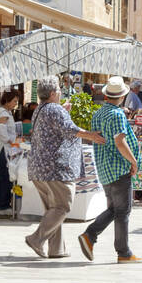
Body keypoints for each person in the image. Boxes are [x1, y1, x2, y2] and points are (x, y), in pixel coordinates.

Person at [25, 76, 105, 259]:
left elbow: (59, 126)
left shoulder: (41, 109)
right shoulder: (54, 109)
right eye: (59, 90)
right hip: (56, 168)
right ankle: (36, 239)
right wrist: (92, 136)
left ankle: (57, 249)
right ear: (53, 94)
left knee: (53, 210)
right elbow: (70, 129)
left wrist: (63, 111)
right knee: (62, 206)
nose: (61, 93)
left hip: (39, 168)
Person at [78, 76, 142, 263]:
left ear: (107, 95)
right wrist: (133, 161)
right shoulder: (117, 114)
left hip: (105, 168)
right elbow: (120, 141)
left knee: (115, 209)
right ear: (122, 96)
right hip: (118, 167)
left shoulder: (99, 113)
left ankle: (92, 237)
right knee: (123, 211)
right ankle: (121, 251)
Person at [0, 91, 20, 214]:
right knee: (6, 175)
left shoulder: (6, 112)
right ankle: (2, 206)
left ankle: (0, 205)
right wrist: (11, 141)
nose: (16, 104)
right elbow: (2, 130)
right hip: (2, 147)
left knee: (4, 176)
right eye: (14, 101)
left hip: (3, 147)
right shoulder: (4, 113)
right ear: (7, 100)